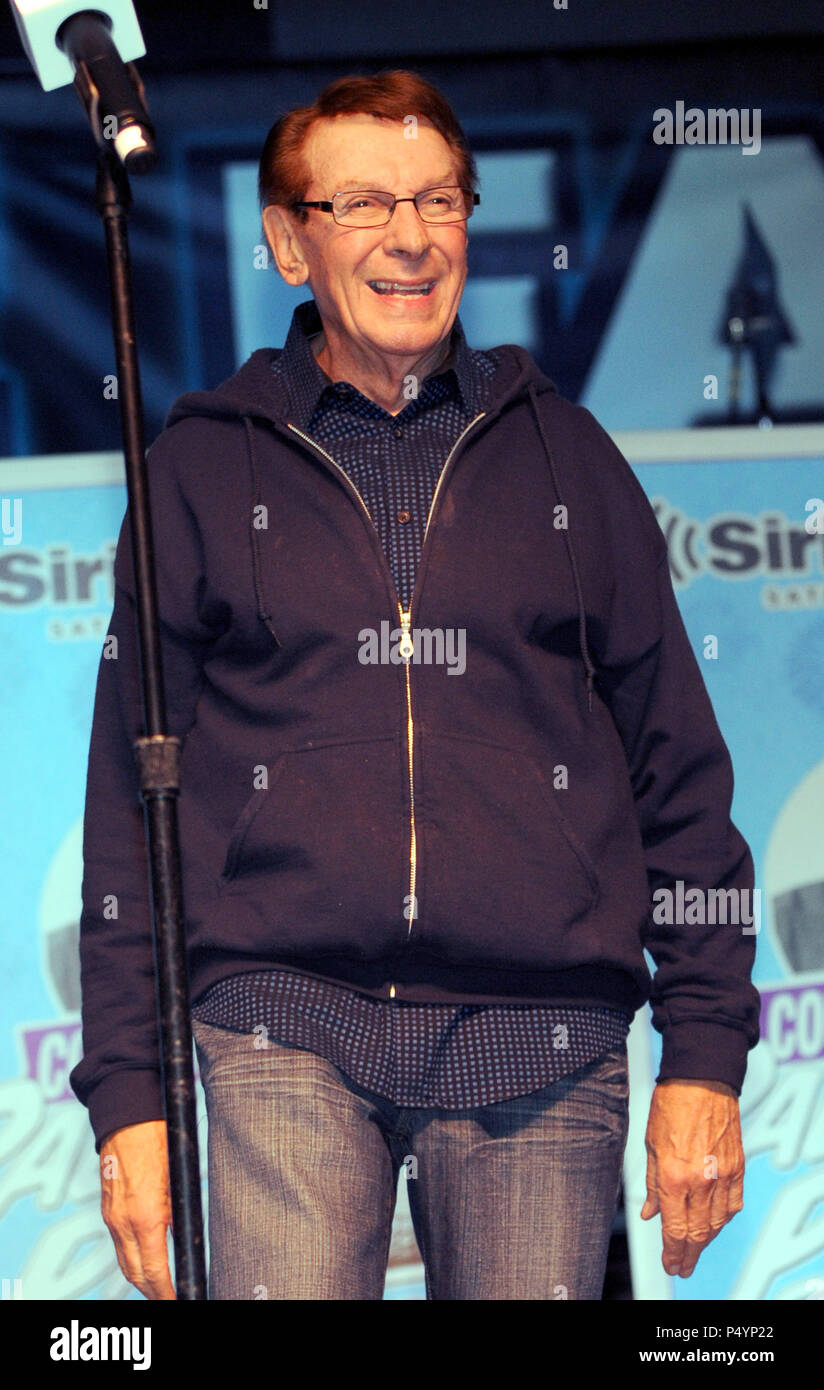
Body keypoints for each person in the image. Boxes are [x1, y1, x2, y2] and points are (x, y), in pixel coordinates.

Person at [70, 69, 760, 1301]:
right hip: (283, 1020)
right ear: (289, 241)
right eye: (366, 204)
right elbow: (133, 809)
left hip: (537, 1034)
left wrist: (703, 1052)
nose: (409, 238)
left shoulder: (567, 456)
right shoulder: (196, 467)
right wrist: (130, 1099)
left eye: (439, 201)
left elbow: (680, 776)